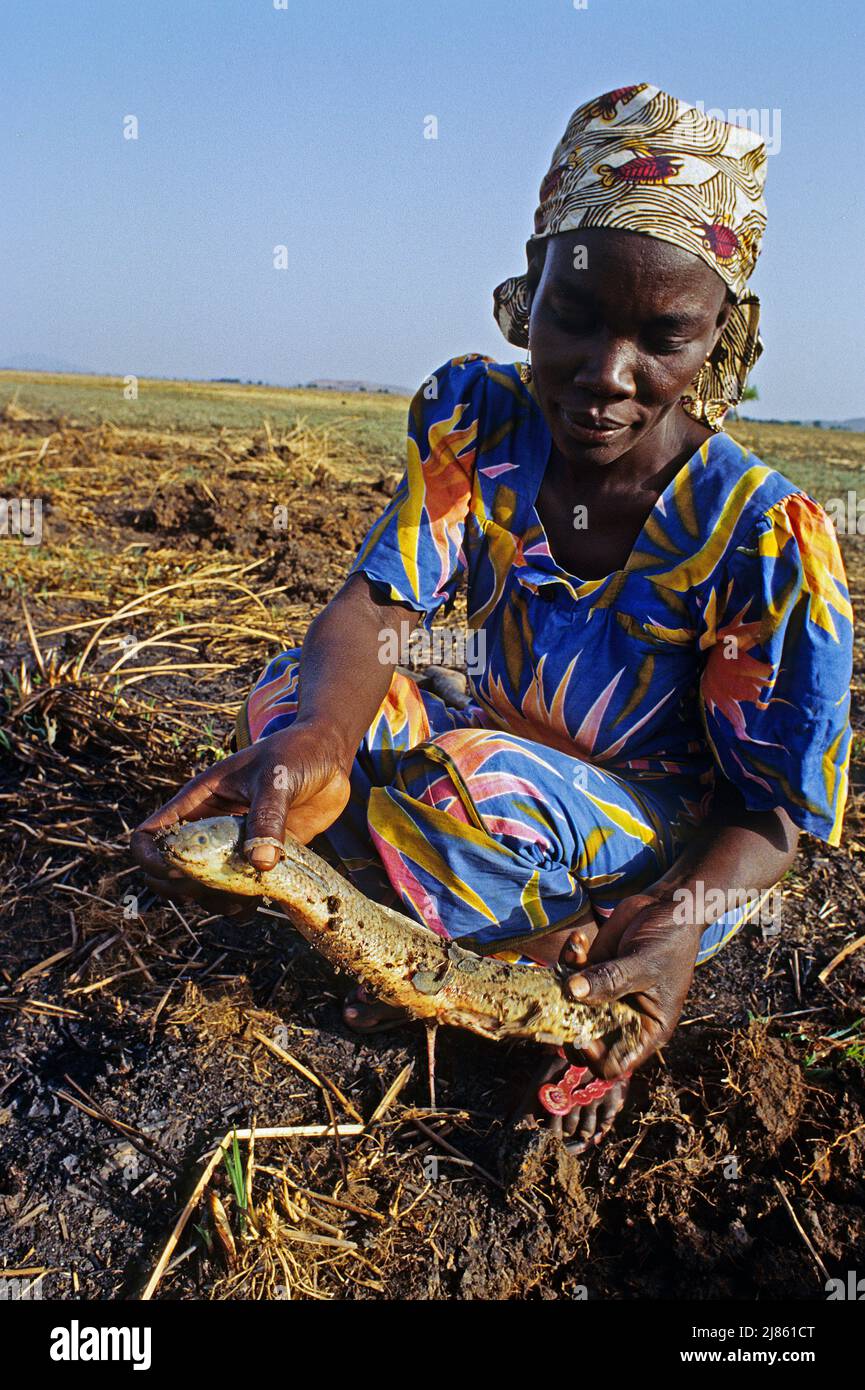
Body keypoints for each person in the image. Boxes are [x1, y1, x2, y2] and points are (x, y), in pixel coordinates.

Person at [132, 84, 853, 1154]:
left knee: (475, 787)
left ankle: (545, 950)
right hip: (494, 726)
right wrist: (321, 742)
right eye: (575, 317)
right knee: (296, 695)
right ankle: (413, 885)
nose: (605, 375)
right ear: (533, 284)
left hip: (652, 824)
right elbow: (383, 604)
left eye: (662, 337)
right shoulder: (483, 418)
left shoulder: (758, 535)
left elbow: (771, 821)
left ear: (722, 338)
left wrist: (677, 928)